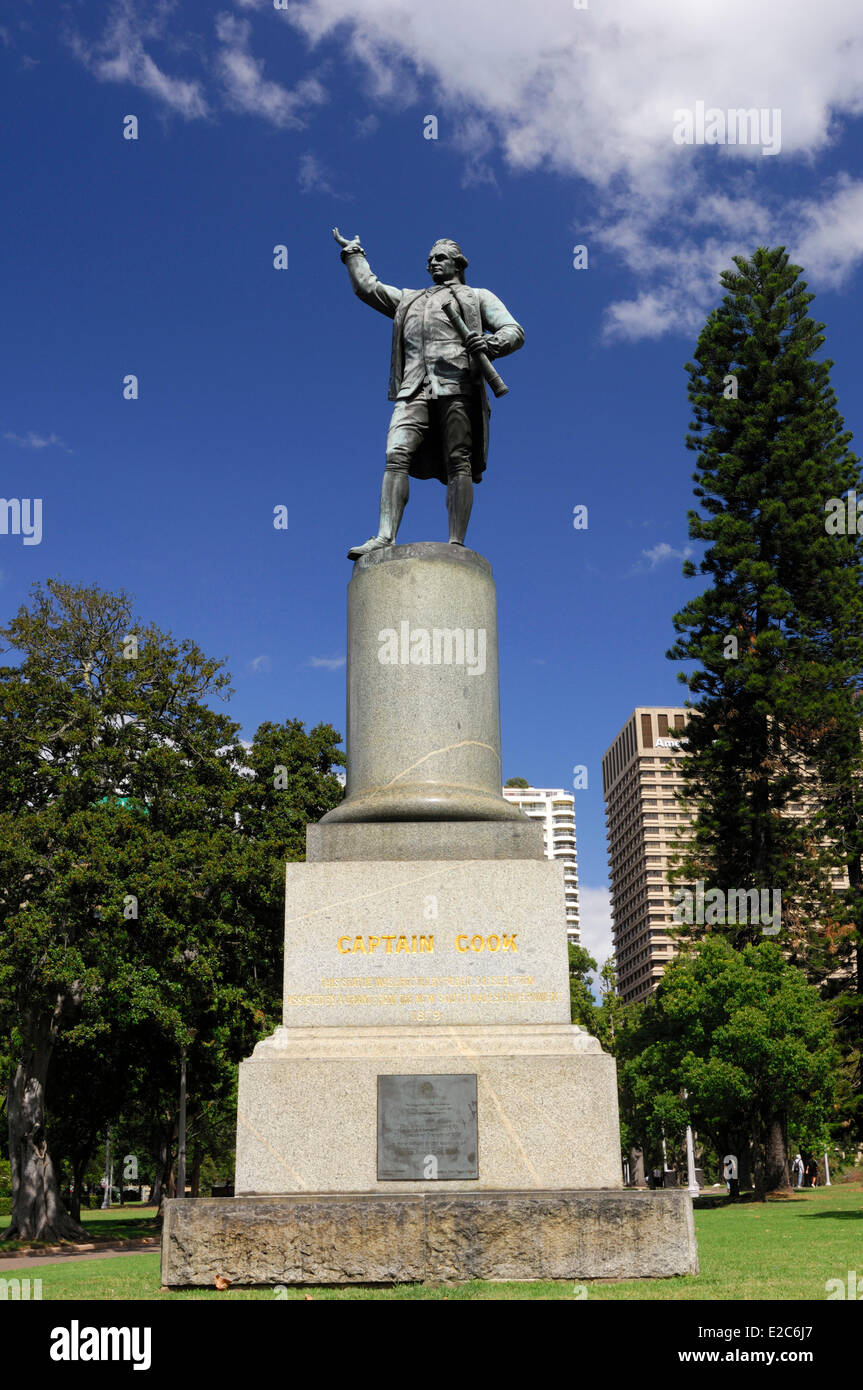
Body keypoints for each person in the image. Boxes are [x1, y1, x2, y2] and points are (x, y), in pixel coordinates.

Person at [332, 229, 524, 558]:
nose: (432, 263)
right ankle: (385, 536)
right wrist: (354, 255)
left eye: (440, 258)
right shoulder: (410, 299)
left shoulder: (478, 297)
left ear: (459, 264)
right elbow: (369, 289)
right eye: (430, 259)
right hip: (413, 387)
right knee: (396, 453)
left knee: (459, 461)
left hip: (458, 383)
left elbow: (514, 331)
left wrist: (490, 343)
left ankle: (456, 543)